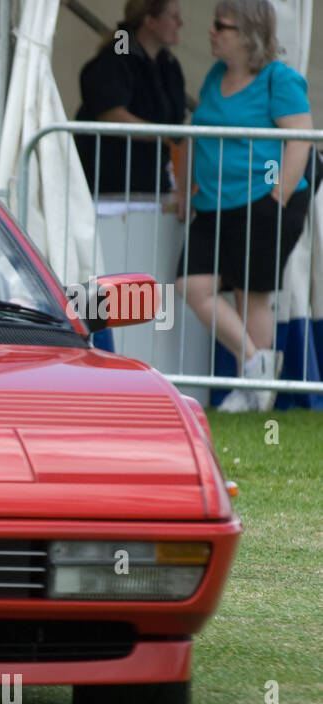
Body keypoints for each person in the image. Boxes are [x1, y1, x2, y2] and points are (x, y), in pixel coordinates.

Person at [175, 0, 315, 412]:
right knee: (192, 285)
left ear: (250, 35)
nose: (211, 31)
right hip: (215, 202)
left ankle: (254, 392)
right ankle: (256, 369)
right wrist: (183, 190)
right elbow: (194, 132)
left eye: (222, 26)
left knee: (250, 295)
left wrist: (279, 197)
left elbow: (301, 138)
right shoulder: (216, 74)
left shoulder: (280, 79)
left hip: (264, 199)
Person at [74, 0, 187, 196]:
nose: (180, 23)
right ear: (150, 21)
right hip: (110, 188)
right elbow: (112, 116)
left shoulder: (168, 65)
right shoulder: (114, 58)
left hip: (152, 184)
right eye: (174, 16)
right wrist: (166, 135)